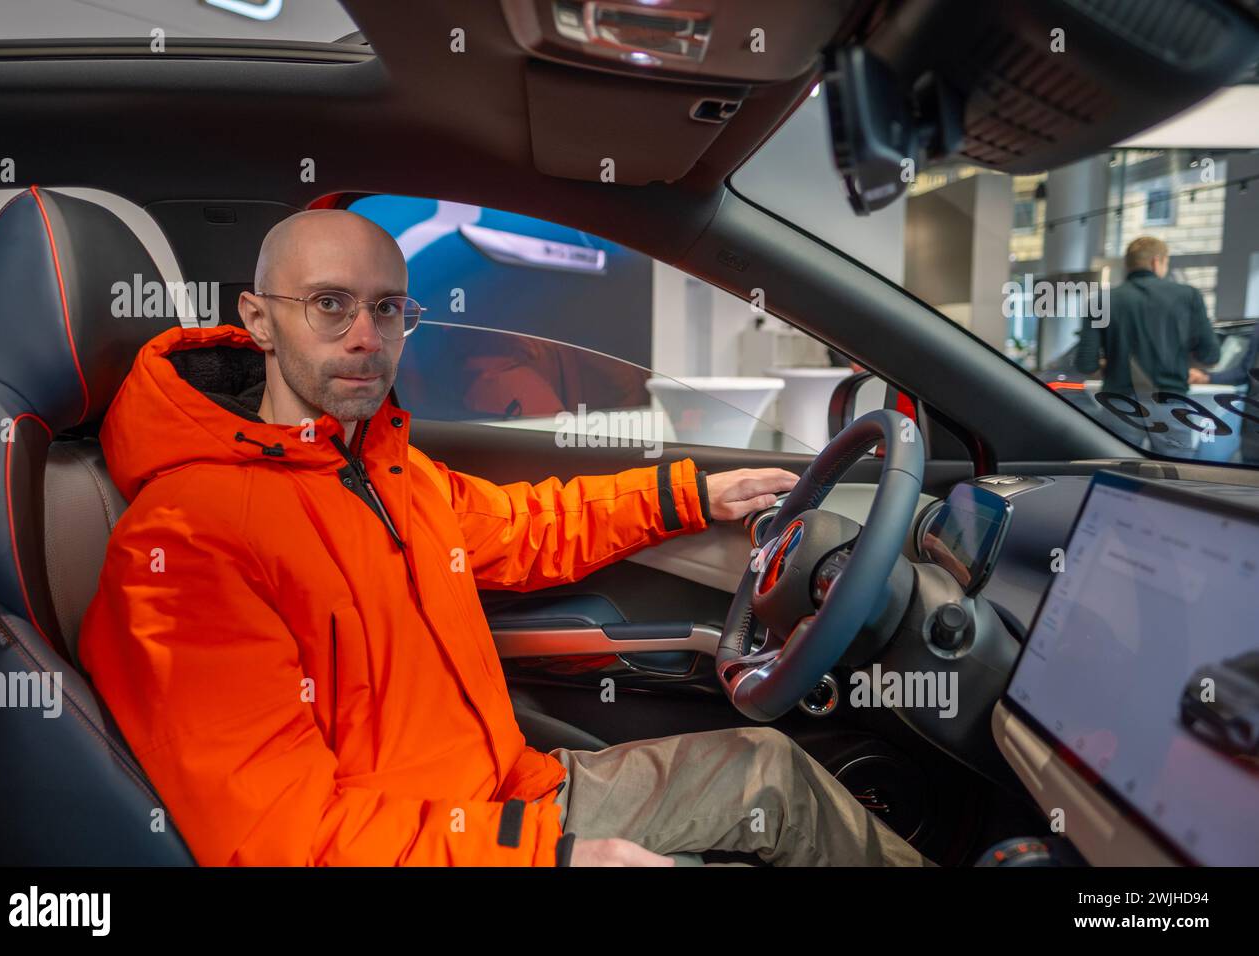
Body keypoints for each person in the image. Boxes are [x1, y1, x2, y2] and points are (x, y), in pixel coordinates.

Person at [77, 210, 929, 867]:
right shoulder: (185, 543)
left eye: (388, 309)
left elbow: (527, 527)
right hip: (447, 845)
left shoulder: (380, 471)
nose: (367, 338)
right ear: (259, 321)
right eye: (328, 306)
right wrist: (549, 854)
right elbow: (287, 839)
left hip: (510, 796)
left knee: (766, 769)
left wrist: (691, 495)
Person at [1075, 236, 1220, 394]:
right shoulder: (1188, 295)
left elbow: (1086, 364)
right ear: (1156, 262)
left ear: (1128, 265)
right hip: (1170, 404)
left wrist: (1112, 365)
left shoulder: (1101, 301)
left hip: (1118, 404)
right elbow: (1210, 355)